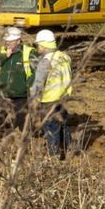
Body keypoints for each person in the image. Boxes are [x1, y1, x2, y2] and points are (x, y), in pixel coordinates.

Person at [30, 29, 73, 160]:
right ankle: (69, 150)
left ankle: (54, 157)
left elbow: (38, 83)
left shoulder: (46, 61)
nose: (37, 47)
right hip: (63, 98)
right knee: (63, 126)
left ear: (43, 45)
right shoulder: (64, 56)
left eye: (38, 45)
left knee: (51, 128)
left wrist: (32, 99)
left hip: (49, 100)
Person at [0, 27, 38, 134]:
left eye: (10, 42)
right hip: (1, 94)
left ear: (18, 41)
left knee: (23, 123)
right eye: (6, 41)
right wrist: (4, 57)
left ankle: (26, 144)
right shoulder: (2, 51)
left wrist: (26, 86)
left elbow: (37, 72)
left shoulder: (29, 53)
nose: (8, 44)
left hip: (20, 95)